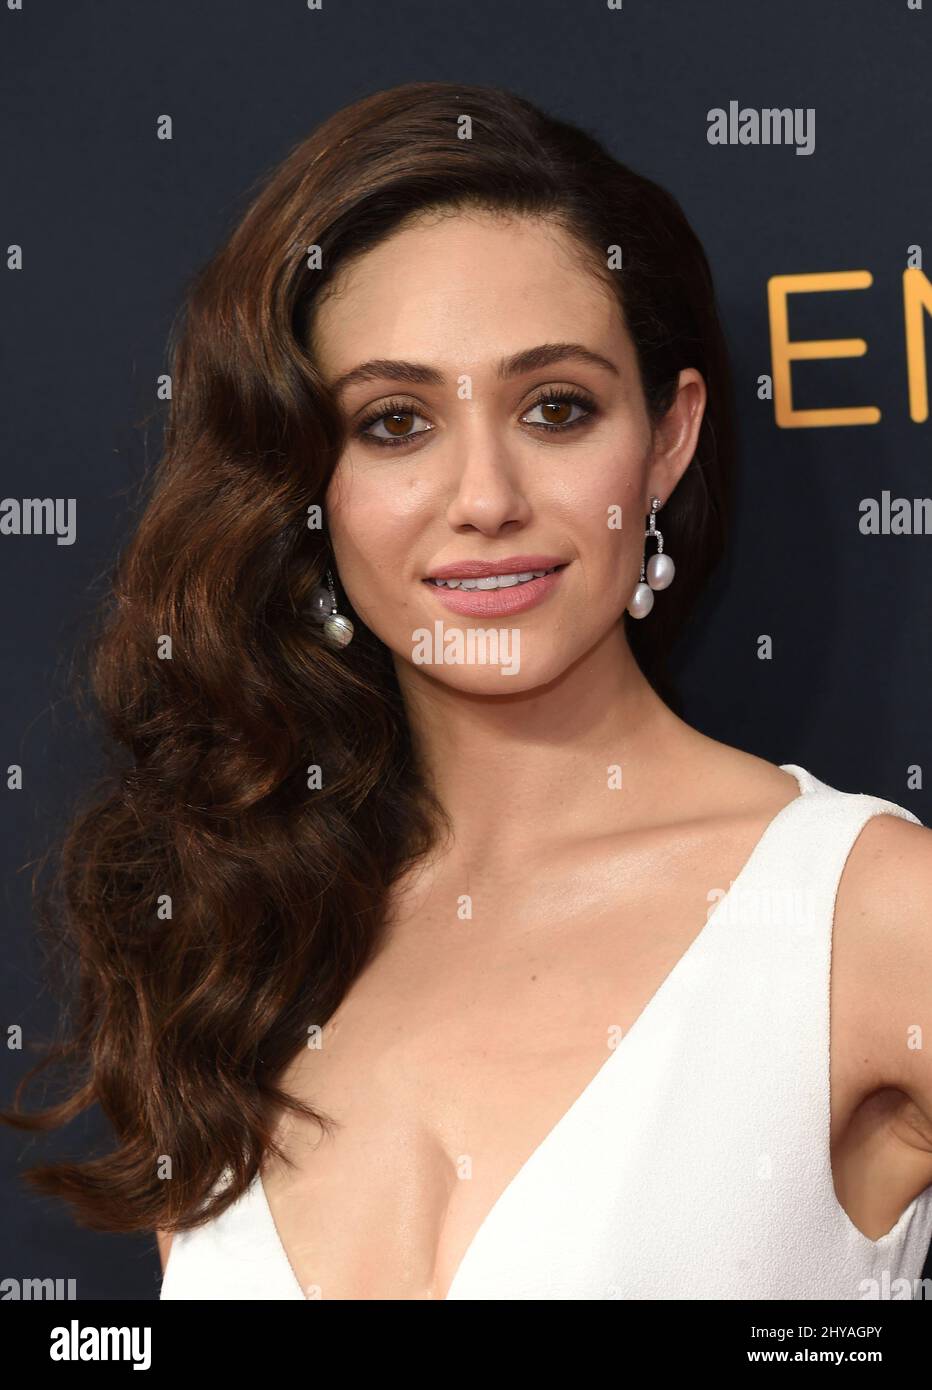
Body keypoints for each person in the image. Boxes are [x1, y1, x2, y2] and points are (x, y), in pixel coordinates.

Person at [6, 81, 932, 1301]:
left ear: (664, 439)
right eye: (394, 423)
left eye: (555, 408)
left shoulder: (865, 914)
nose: (484, 495)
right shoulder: (241, 938)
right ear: (305, 476)